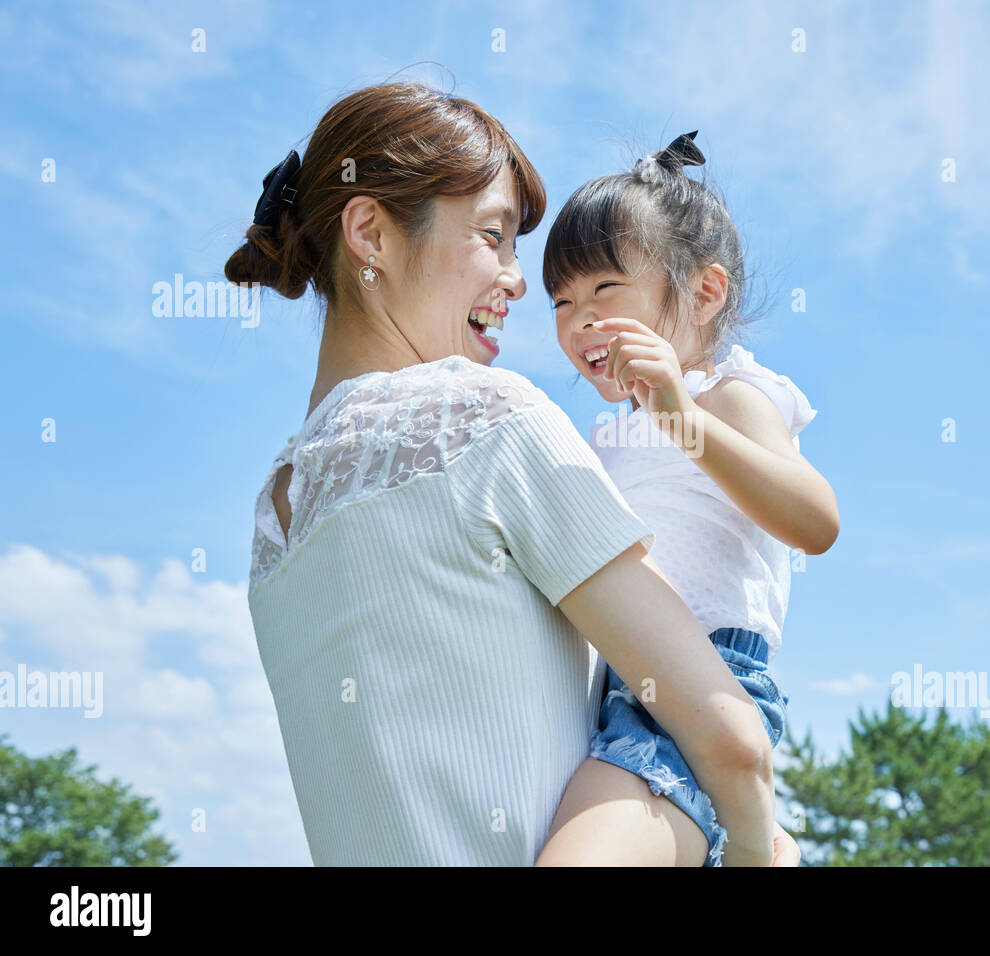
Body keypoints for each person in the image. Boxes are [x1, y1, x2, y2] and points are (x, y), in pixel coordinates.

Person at [229, 82, 796, 866]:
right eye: (493, 236)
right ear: (370, 233)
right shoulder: (485, 419)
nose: (520, 281)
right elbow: (733, 740)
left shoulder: (273, 521)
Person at [535, 131, 838, 866]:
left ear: (703, 293)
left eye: (606, 288)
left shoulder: (727, 395)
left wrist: (683, 418)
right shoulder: (603, 440)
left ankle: (760, 843)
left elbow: (816, 520)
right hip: (614, 689)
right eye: (562, 300)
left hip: (709, 682)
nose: (580, 320)